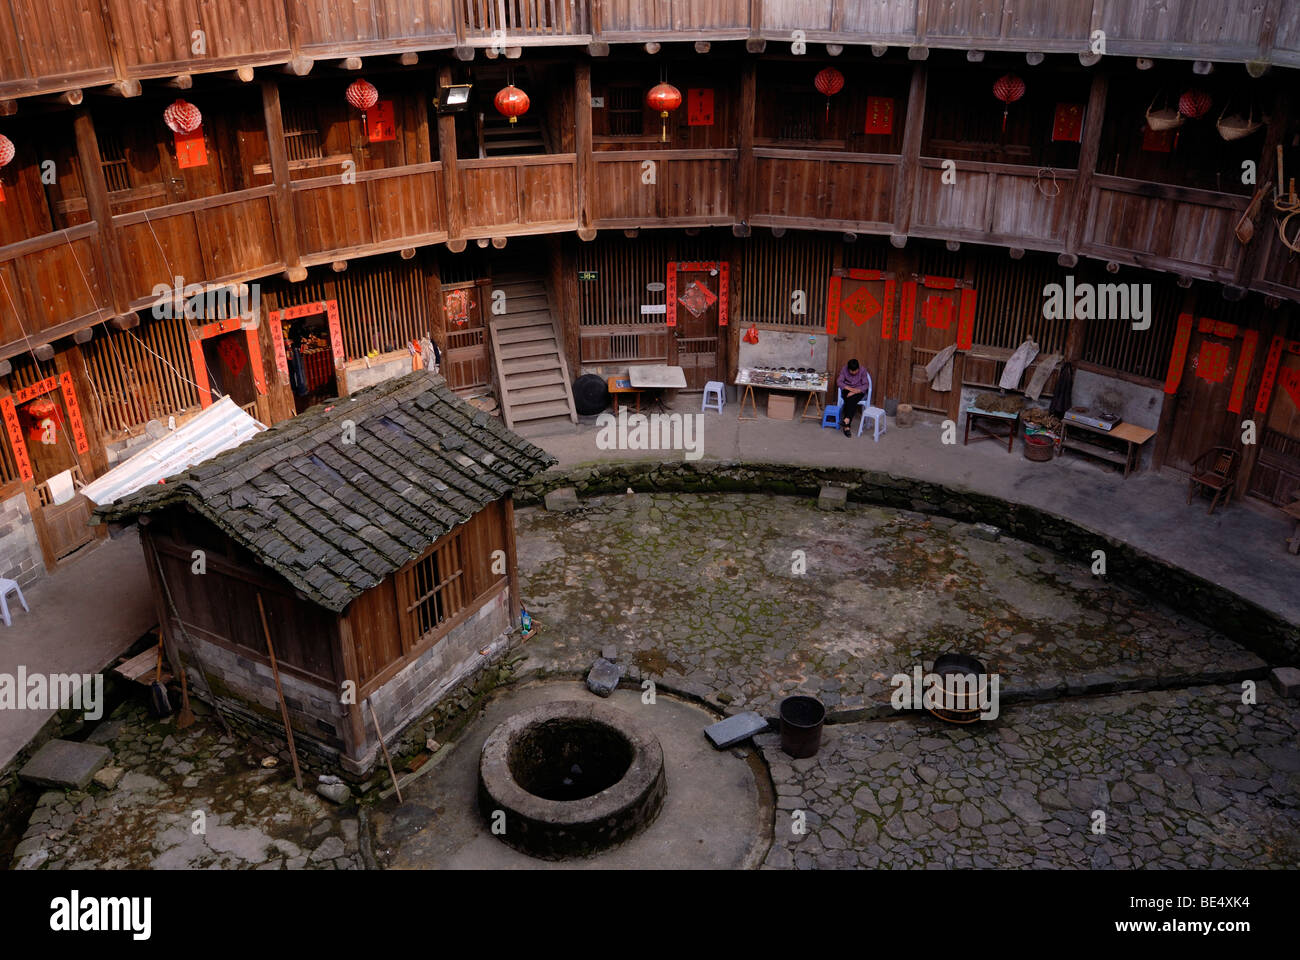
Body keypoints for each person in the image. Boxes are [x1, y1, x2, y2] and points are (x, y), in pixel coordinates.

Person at [837, 358, 871, 437]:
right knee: (850, 399)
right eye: (851, 371)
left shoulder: (862, 370)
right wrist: (851, 390)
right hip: (848, 389)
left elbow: (866, 385)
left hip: (859, 390)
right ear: (848, 369)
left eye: (855, 371)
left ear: (858, 368)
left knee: (850, 400)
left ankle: (846, 424)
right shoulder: (844, 369)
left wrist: (855, 391)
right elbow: (839, 382)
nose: (854, 372)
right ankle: (847, 422)